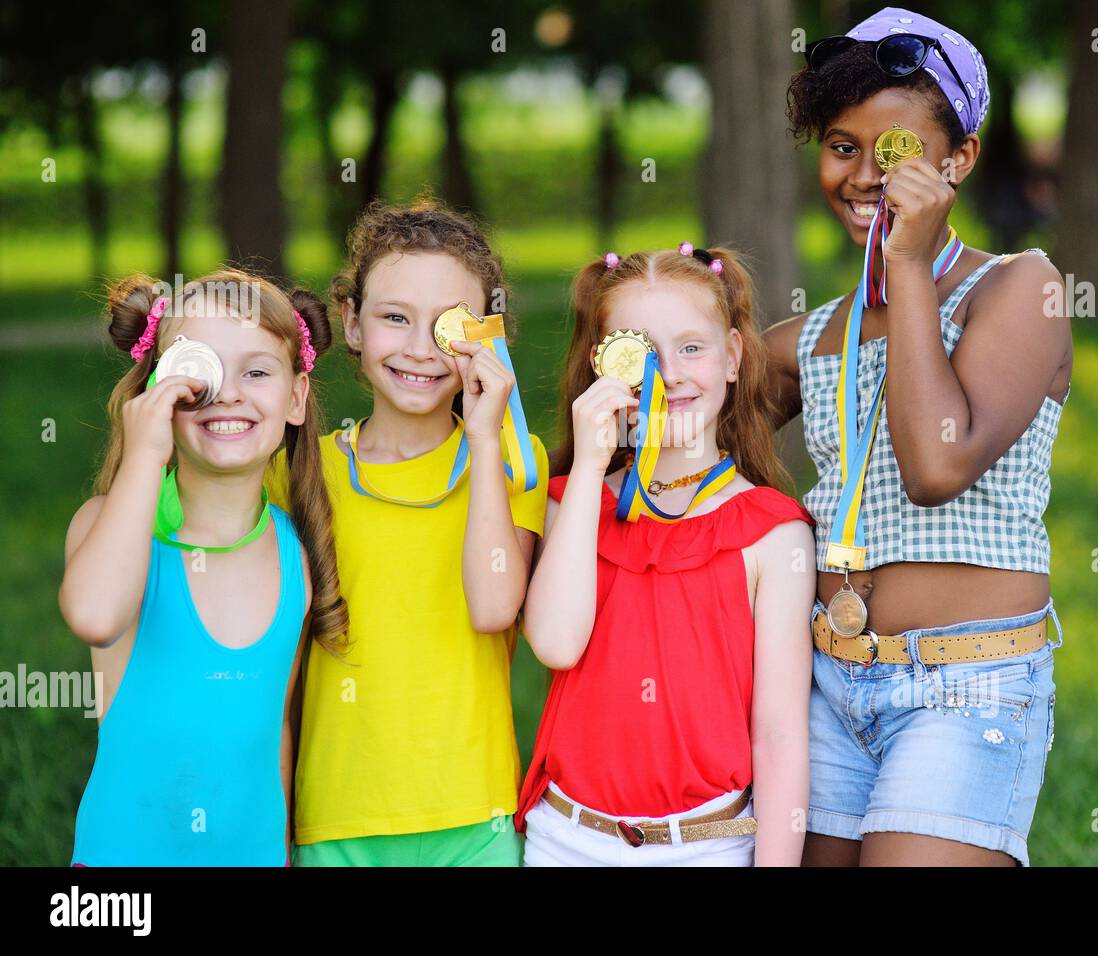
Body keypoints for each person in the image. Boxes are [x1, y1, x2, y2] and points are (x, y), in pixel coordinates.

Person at [764, 7, 1073, 866]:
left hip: (966, 685)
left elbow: (936, 465)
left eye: (895, 150)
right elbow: (655, 439)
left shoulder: (1020, 289)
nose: (865, 174)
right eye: (842, 146)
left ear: (959, 159)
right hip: (826, 681)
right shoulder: (810, 337)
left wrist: (906, 264)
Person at [269, 198, 548, 866]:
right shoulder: (296, 474)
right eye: (395, 317)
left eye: (449, 326)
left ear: (487, 337)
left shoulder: (512, 463)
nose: (421, 349)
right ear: (351, 322)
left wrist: (485, 436)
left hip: (473, 818)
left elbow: (494, 608)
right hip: (335, 821)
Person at [518, 244, 816, 866]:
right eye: (641, 353)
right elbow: (555, 643)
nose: (670, 374)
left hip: (708, 845)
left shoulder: (773, 533)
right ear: (603, 366)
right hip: (568, 839)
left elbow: (779, 734)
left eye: (692, 348)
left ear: (732, 357)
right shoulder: (571, 504)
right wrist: (591, 464)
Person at [62, 269, 346, 865]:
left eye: (257, 372)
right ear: (157, 392)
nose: (228, 393)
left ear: (296, 398)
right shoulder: (111, 527)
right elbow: (93, 616)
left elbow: (276, 730)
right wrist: (145, 452)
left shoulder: (293, 551)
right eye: (199, 369)